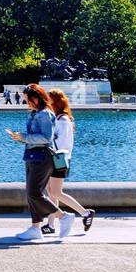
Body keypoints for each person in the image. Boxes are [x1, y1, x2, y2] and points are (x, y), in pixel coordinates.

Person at [6, 83, 61, 241]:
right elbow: (33, 137)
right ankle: (35, 228)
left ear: (37, 98)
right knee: (31, 194)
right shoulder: (35, 113)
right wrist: (19, 137)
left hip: (42, 156)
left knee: (34, 193)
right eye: (25, 100)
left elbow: (45, 138)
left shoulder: (44, 114)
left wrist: (23, 136)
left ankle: (63, 216)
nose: (27, 103)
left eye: (29, 99)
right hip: (33, 155)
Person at [41, 90, 95, 236]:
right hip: (55, 158)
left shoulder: (63, 119)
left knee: (56, 192)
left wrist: (48, 141)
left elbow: (63, 143)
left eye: (49, 100)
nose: (46, 102)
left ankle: (85, 213)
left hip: (60, 159)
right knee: (51, 192)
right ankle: (51, 224)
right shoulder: (58, 118)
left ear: (55, 102)